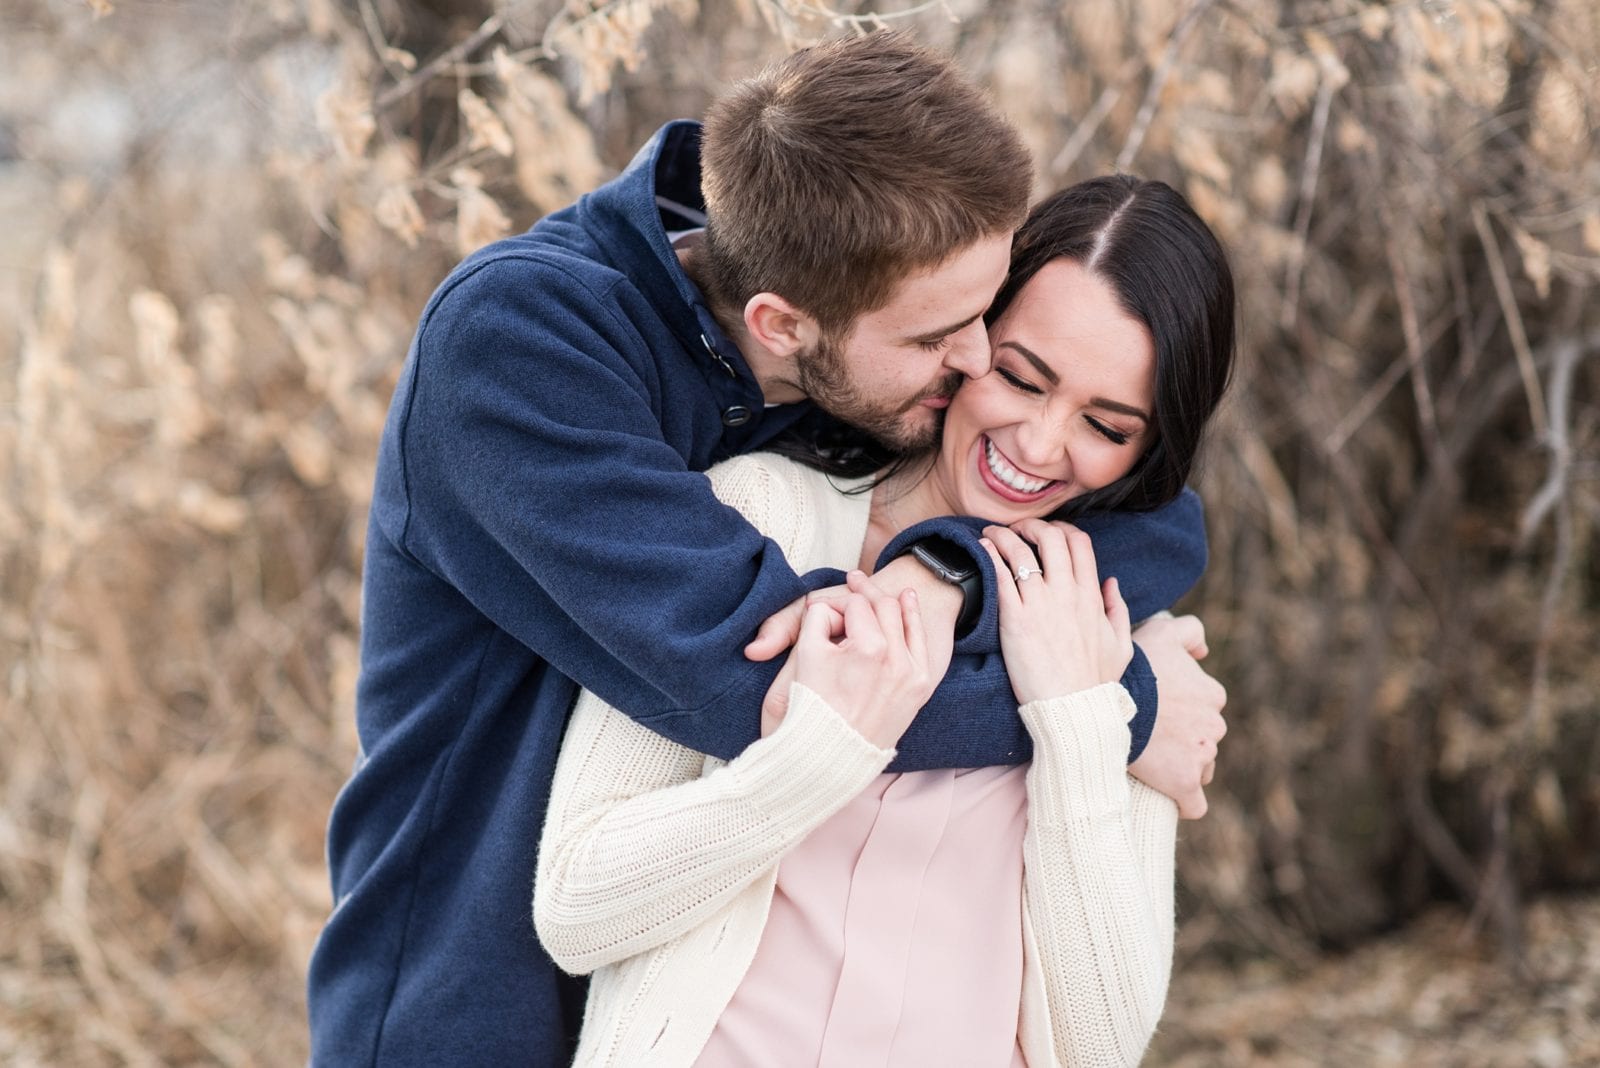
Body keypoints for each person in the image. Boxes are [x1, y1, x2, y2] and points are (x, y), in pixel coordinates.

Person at [307, 32, 1225, 1065]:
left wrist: (956, 574)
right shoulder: (525, 347)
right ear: (781, 325)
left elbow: (1146, 511)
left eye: (984, 321)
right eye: (944, 340)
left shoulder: (849, 360)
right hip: (473, 1001)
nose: (970, 364)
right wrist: (1118, 701)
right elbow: (783, 677)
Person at [535, 175, 1235, 1067]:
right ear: (968, 334)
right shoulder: (757, 519)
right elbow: (576, 909)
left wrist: (1081, 721)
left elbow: (1102, 1042)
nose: (1040, 445)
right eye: (1022, 378)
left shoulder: (1110, 623)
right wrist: (820, 756)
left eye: (1106, 423)